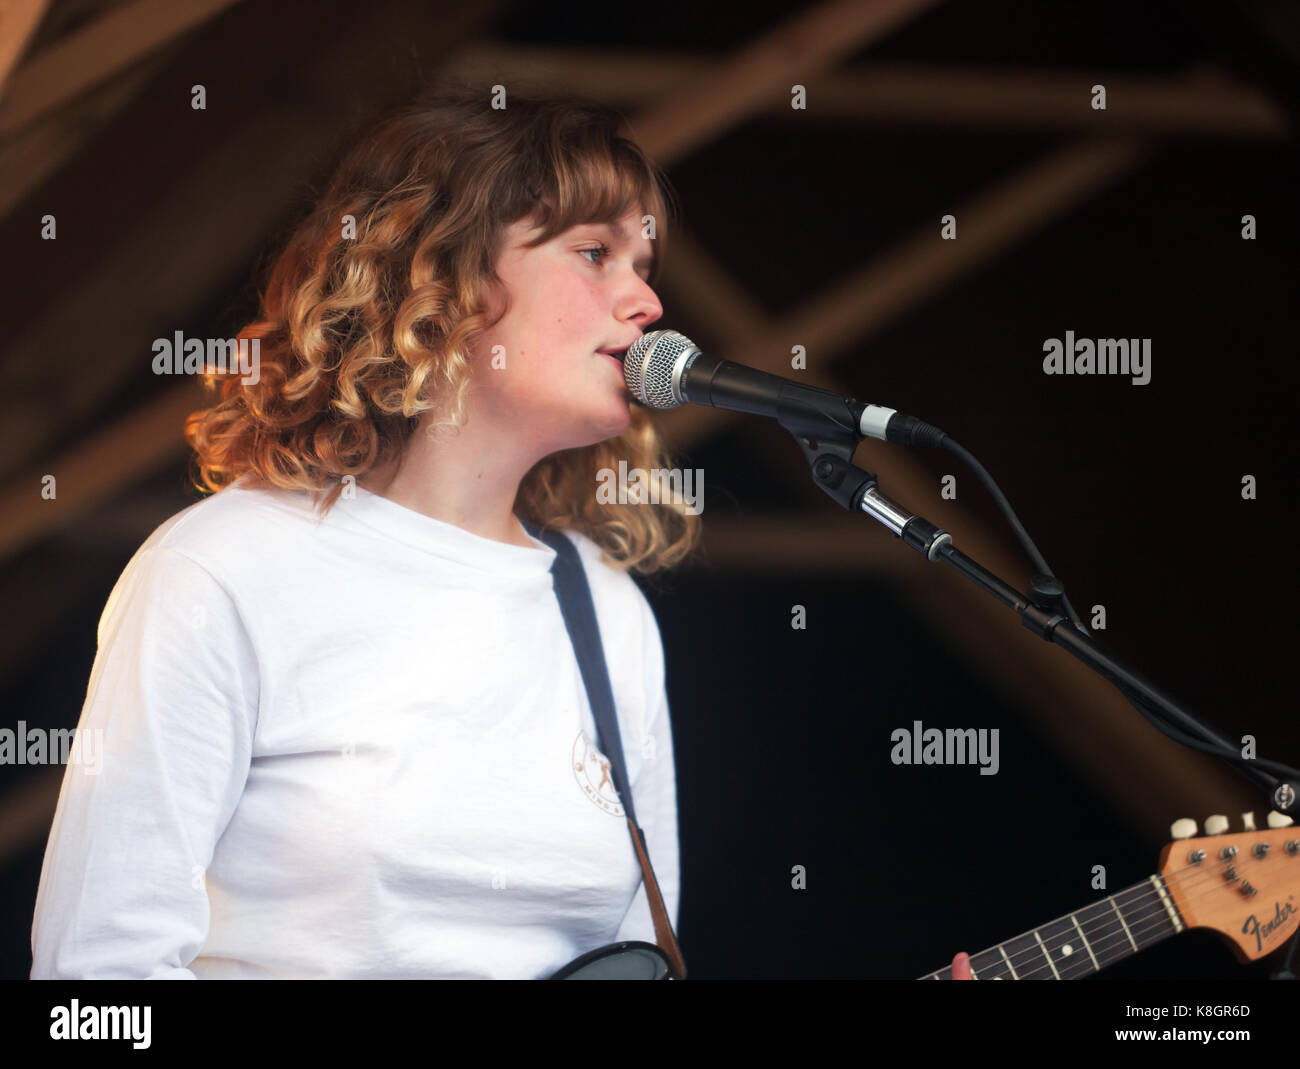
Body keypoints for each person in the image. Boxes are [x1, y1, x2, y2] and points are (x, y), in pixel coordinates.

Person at [29, 80, 973, 980]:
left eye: (645, 267)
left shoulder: (608, 612)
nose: (646, 302)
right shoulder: (222, 568)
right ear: (446, 278)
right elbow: (93, 979)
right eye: (595, 253)